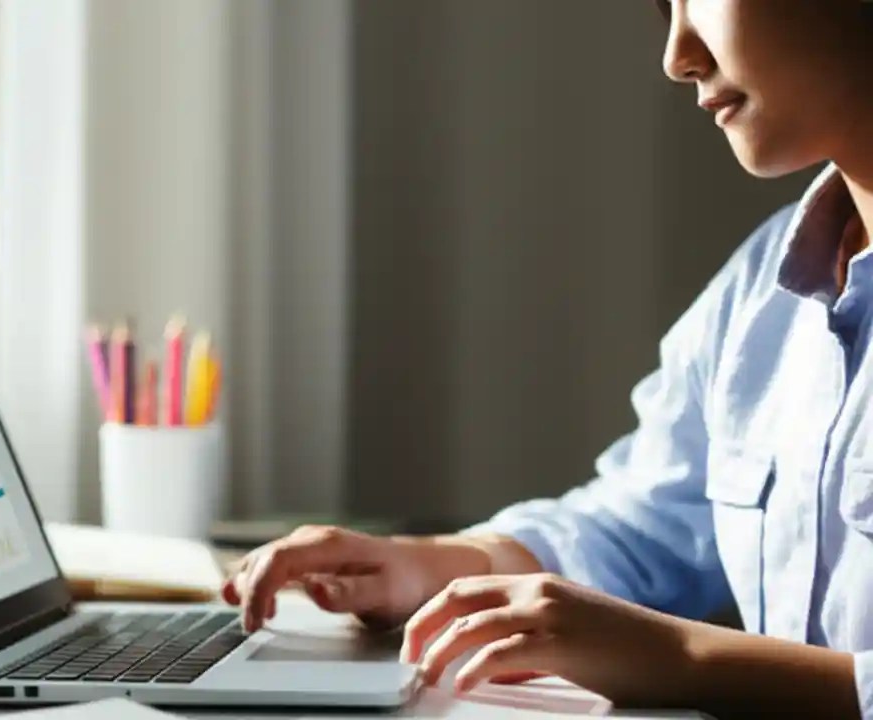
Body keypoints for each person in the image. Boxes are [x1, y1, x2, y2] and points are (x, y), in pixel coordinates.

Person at [224, 2, 873, 717]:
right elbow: (647, 521)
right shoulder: (764, 289)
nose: (678, 54)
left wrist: (680, 659)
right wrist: (435, 565)